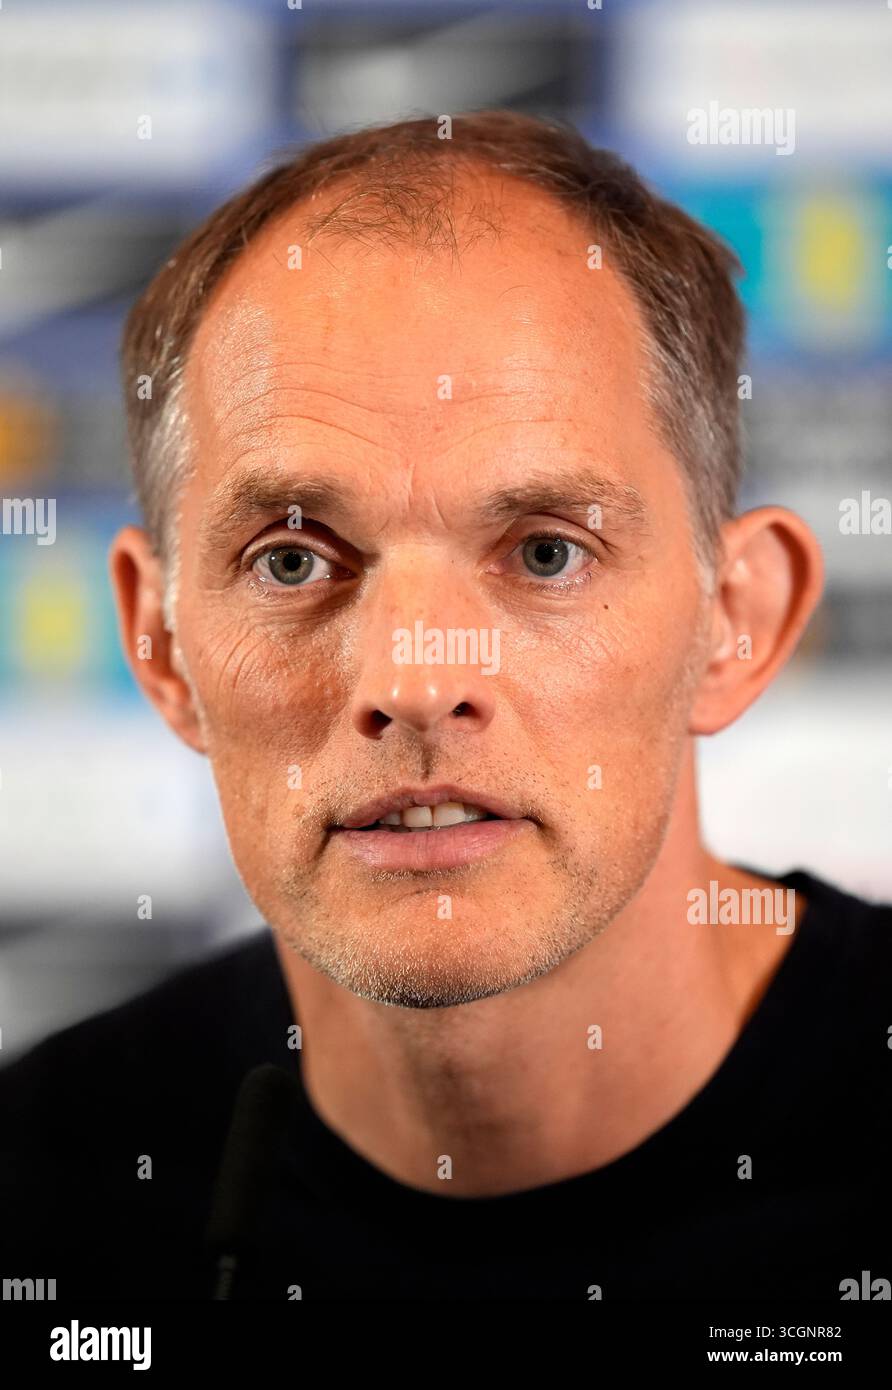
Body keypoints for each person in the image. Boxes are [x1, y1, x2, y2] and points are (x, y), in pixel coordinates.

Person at [2, 111, 889, 1302]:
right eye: (293, 560)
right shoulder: (41, 1193)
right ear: (161, 648)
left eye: (545, 554)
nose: (417, 680)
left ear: (736, 621)